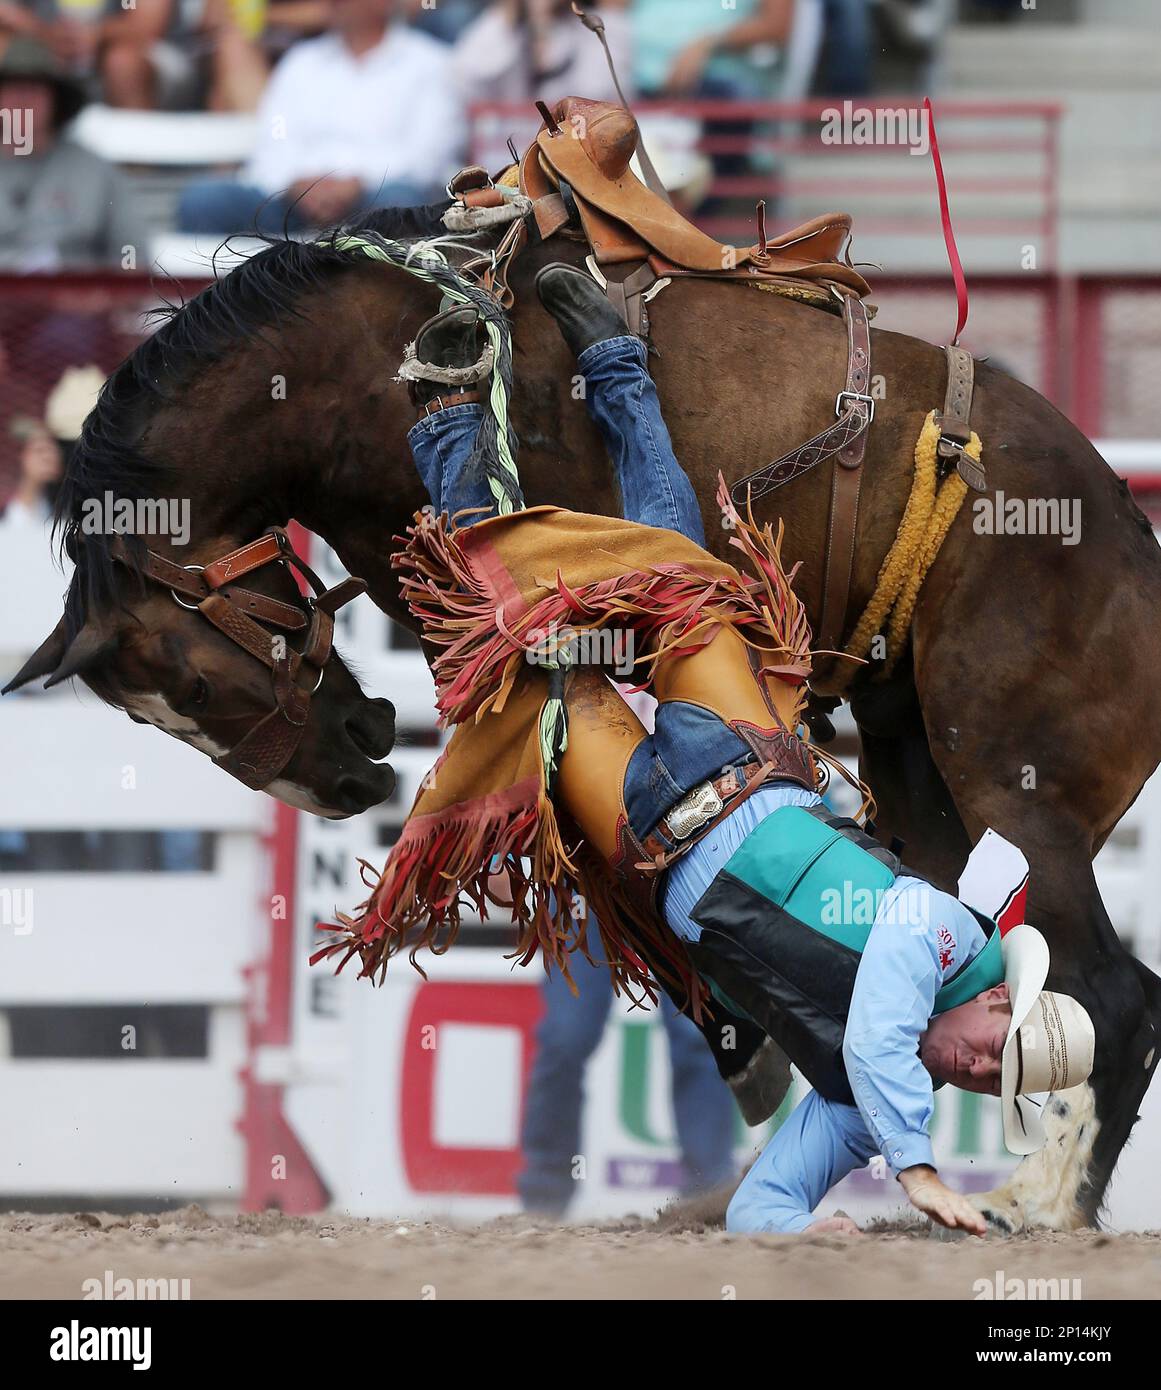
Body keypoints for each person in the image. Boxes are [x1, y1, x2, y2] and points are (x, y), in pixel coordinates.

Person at [361, 260, 1096, 1237]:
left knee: (519, 667)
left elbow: (764, 1207)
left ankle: (453, 412)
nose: (970, 1072)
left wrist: (811, 1233)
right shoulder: (951, 937)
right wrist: (914, 1166)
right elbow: (881, 1005)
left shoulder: (861, 1091)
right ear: (1000, 1003)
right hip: (744, 766)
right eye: (992, 1057)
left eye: (985, 1083)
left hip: (660, 832)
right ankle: (613, 365)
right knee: (680, 569)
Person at [177, 0, 465, 235]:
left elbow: (429, 154)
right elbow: (274, 140)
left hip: (374, 199)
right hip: (295, 202)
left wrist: (356, 184)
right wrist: (299, 184)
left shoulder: (431, 63)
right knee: (203, 202)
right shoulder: (301, 62)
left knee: (401, 204)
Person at [0, 37, 147, 269]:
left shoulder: (96, 172)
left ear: (55, 101)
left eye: (33, 90)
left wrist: (101, 297)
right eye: (13, 89)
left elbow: (134, 257)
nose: (22, 101)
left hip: (81, 301)